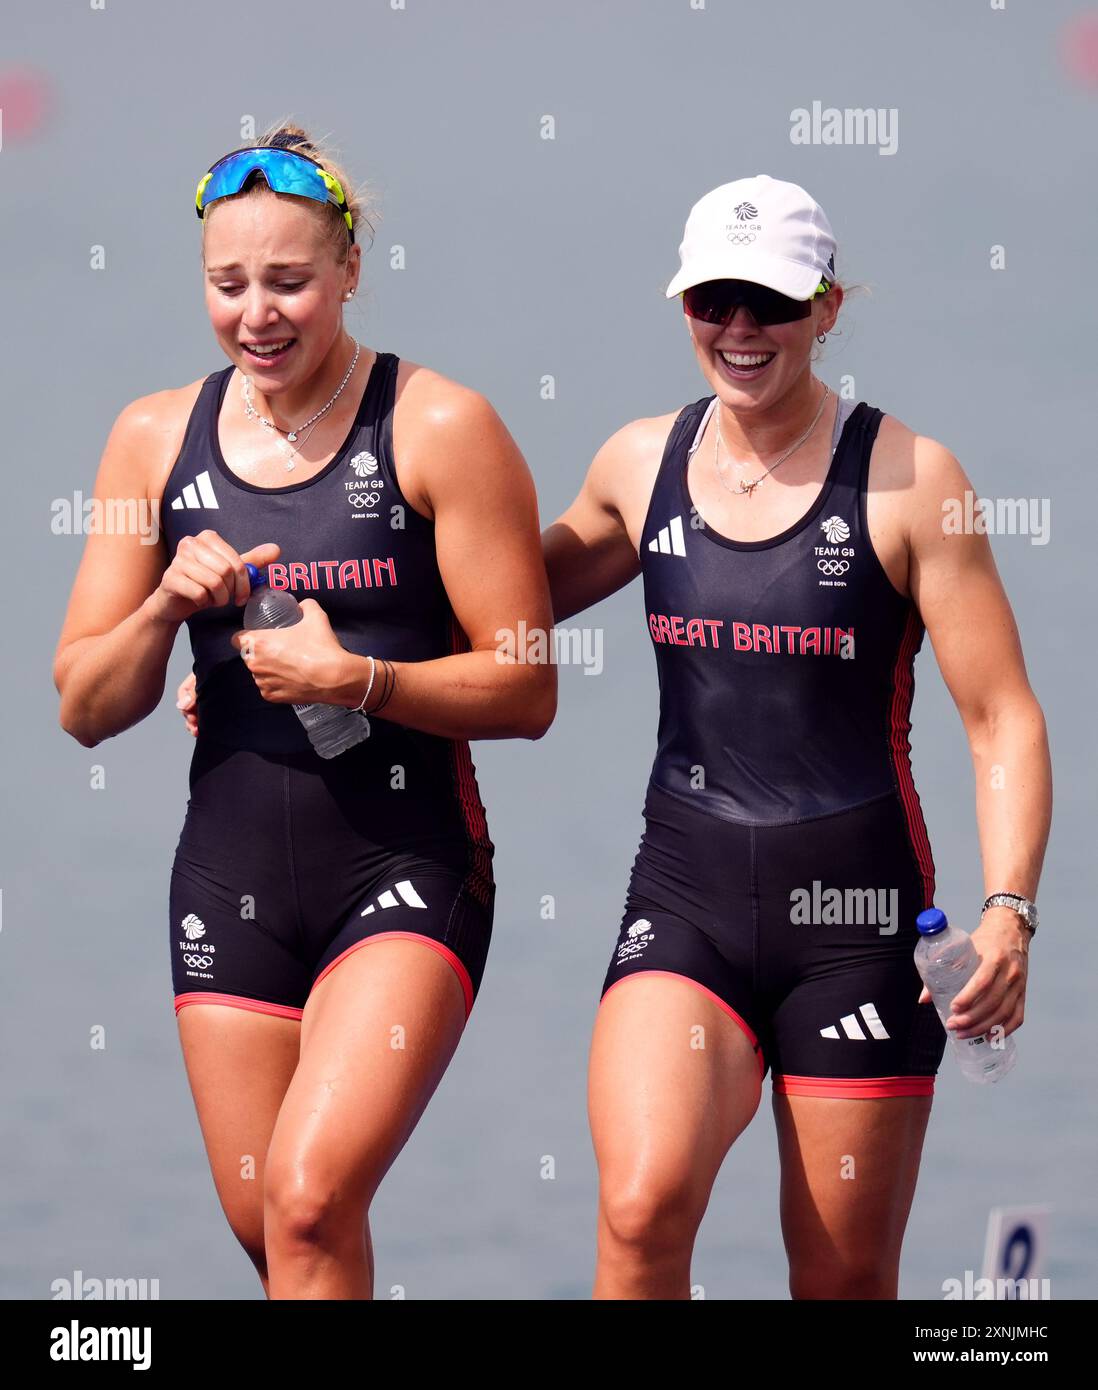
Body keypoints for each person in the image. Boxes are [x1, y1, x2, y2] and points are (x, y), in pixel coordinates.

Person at [54, 122, 555, 1300]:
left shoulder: (439, 424)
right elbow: (83, 703)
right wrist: (159, 611)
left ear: (348, 271)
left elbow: (526, 686)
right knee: (273, 1229)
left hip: (406, 861)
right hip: (230, 879)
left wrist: (358, 681)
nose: (257, 314)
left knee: (312, 1194)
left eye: (289, 281)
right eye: (229, 285)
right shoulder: (148, 440)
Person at [542, 175, 1051, 1299]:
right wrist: (271, 670)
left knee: (840, 1278)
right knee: (636, 1212)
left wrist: (1010, 909)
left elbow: (1001, 713)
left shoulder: (915, 481)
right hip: (685, 906)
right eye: (710, 300)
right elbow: (501, 609)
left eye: (767, 302)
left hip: (861, 932)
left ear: (825, 306)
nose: (737, 330)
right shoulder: (639, 463)